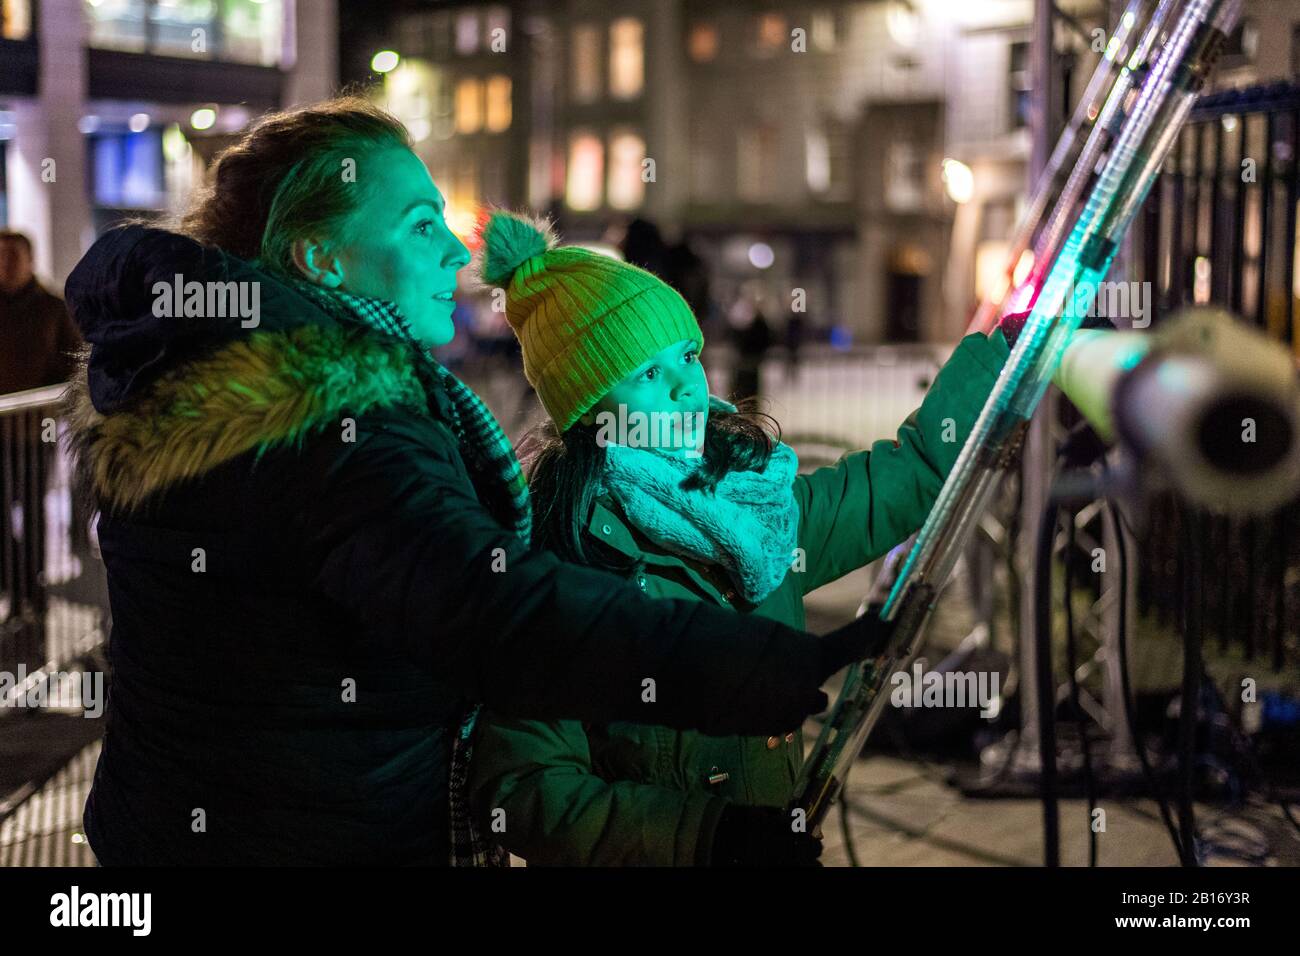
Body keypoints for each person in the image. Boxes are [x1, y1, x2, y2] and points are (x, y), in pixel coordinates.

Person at [61, 97, 870, 866]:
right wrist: (721, 666)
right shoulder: (333, 429)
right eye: (420, 226)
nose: (454, 250)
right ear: (322, 259)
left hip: (174, 829)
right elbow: (490, 609)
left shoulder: (193, 381)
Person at [467, 209, 1009, 865]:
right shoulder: (562, 561)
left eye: (688, 355)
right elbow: (526, 788)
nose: (684, 384)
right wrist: (706, 838)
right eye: (644, 373)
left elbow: (913, 471)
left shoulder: (759, 511)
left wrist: (1007, 356)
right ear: (586, 409)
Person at [0, 231, 83, 649]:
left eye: (14, 257)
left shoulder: (51, 308)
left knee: (33, 515)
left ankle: (31, 594)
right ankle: (17, 588)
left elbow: (72, 363)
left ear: (30, 260)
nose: (7, 265)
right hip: (4, 431)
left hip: (33, 431)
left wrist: (48, 404)